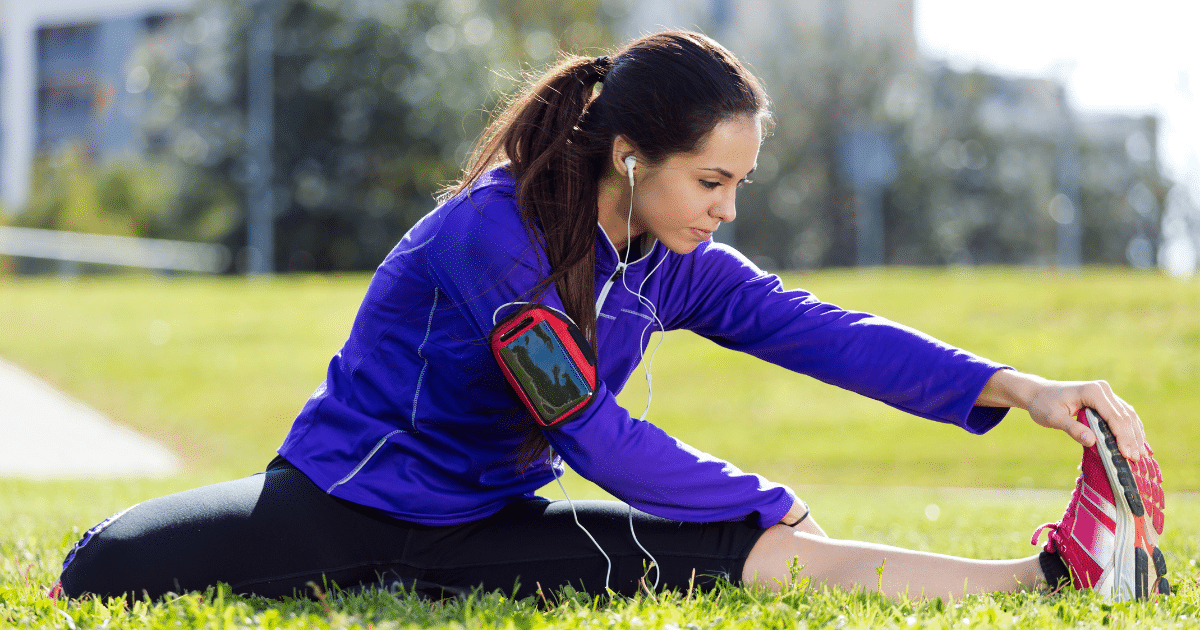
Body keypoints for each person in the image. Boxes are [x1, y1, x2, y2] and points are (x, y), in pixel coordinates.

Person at [53, 30, 1168, 603]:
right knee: (105, 570)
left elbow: (821, 331)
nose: (727, 211)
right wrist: (767, 493)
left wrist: (1020, 388)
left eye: (739, 186)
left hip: (488, 522)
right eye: (712, 183)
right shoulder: (493, 243)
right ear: (631, 158)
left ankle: (1055, 578)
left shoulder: (667, 254)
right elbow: (590, 432)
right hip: (348, 504)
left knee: (742, 554)